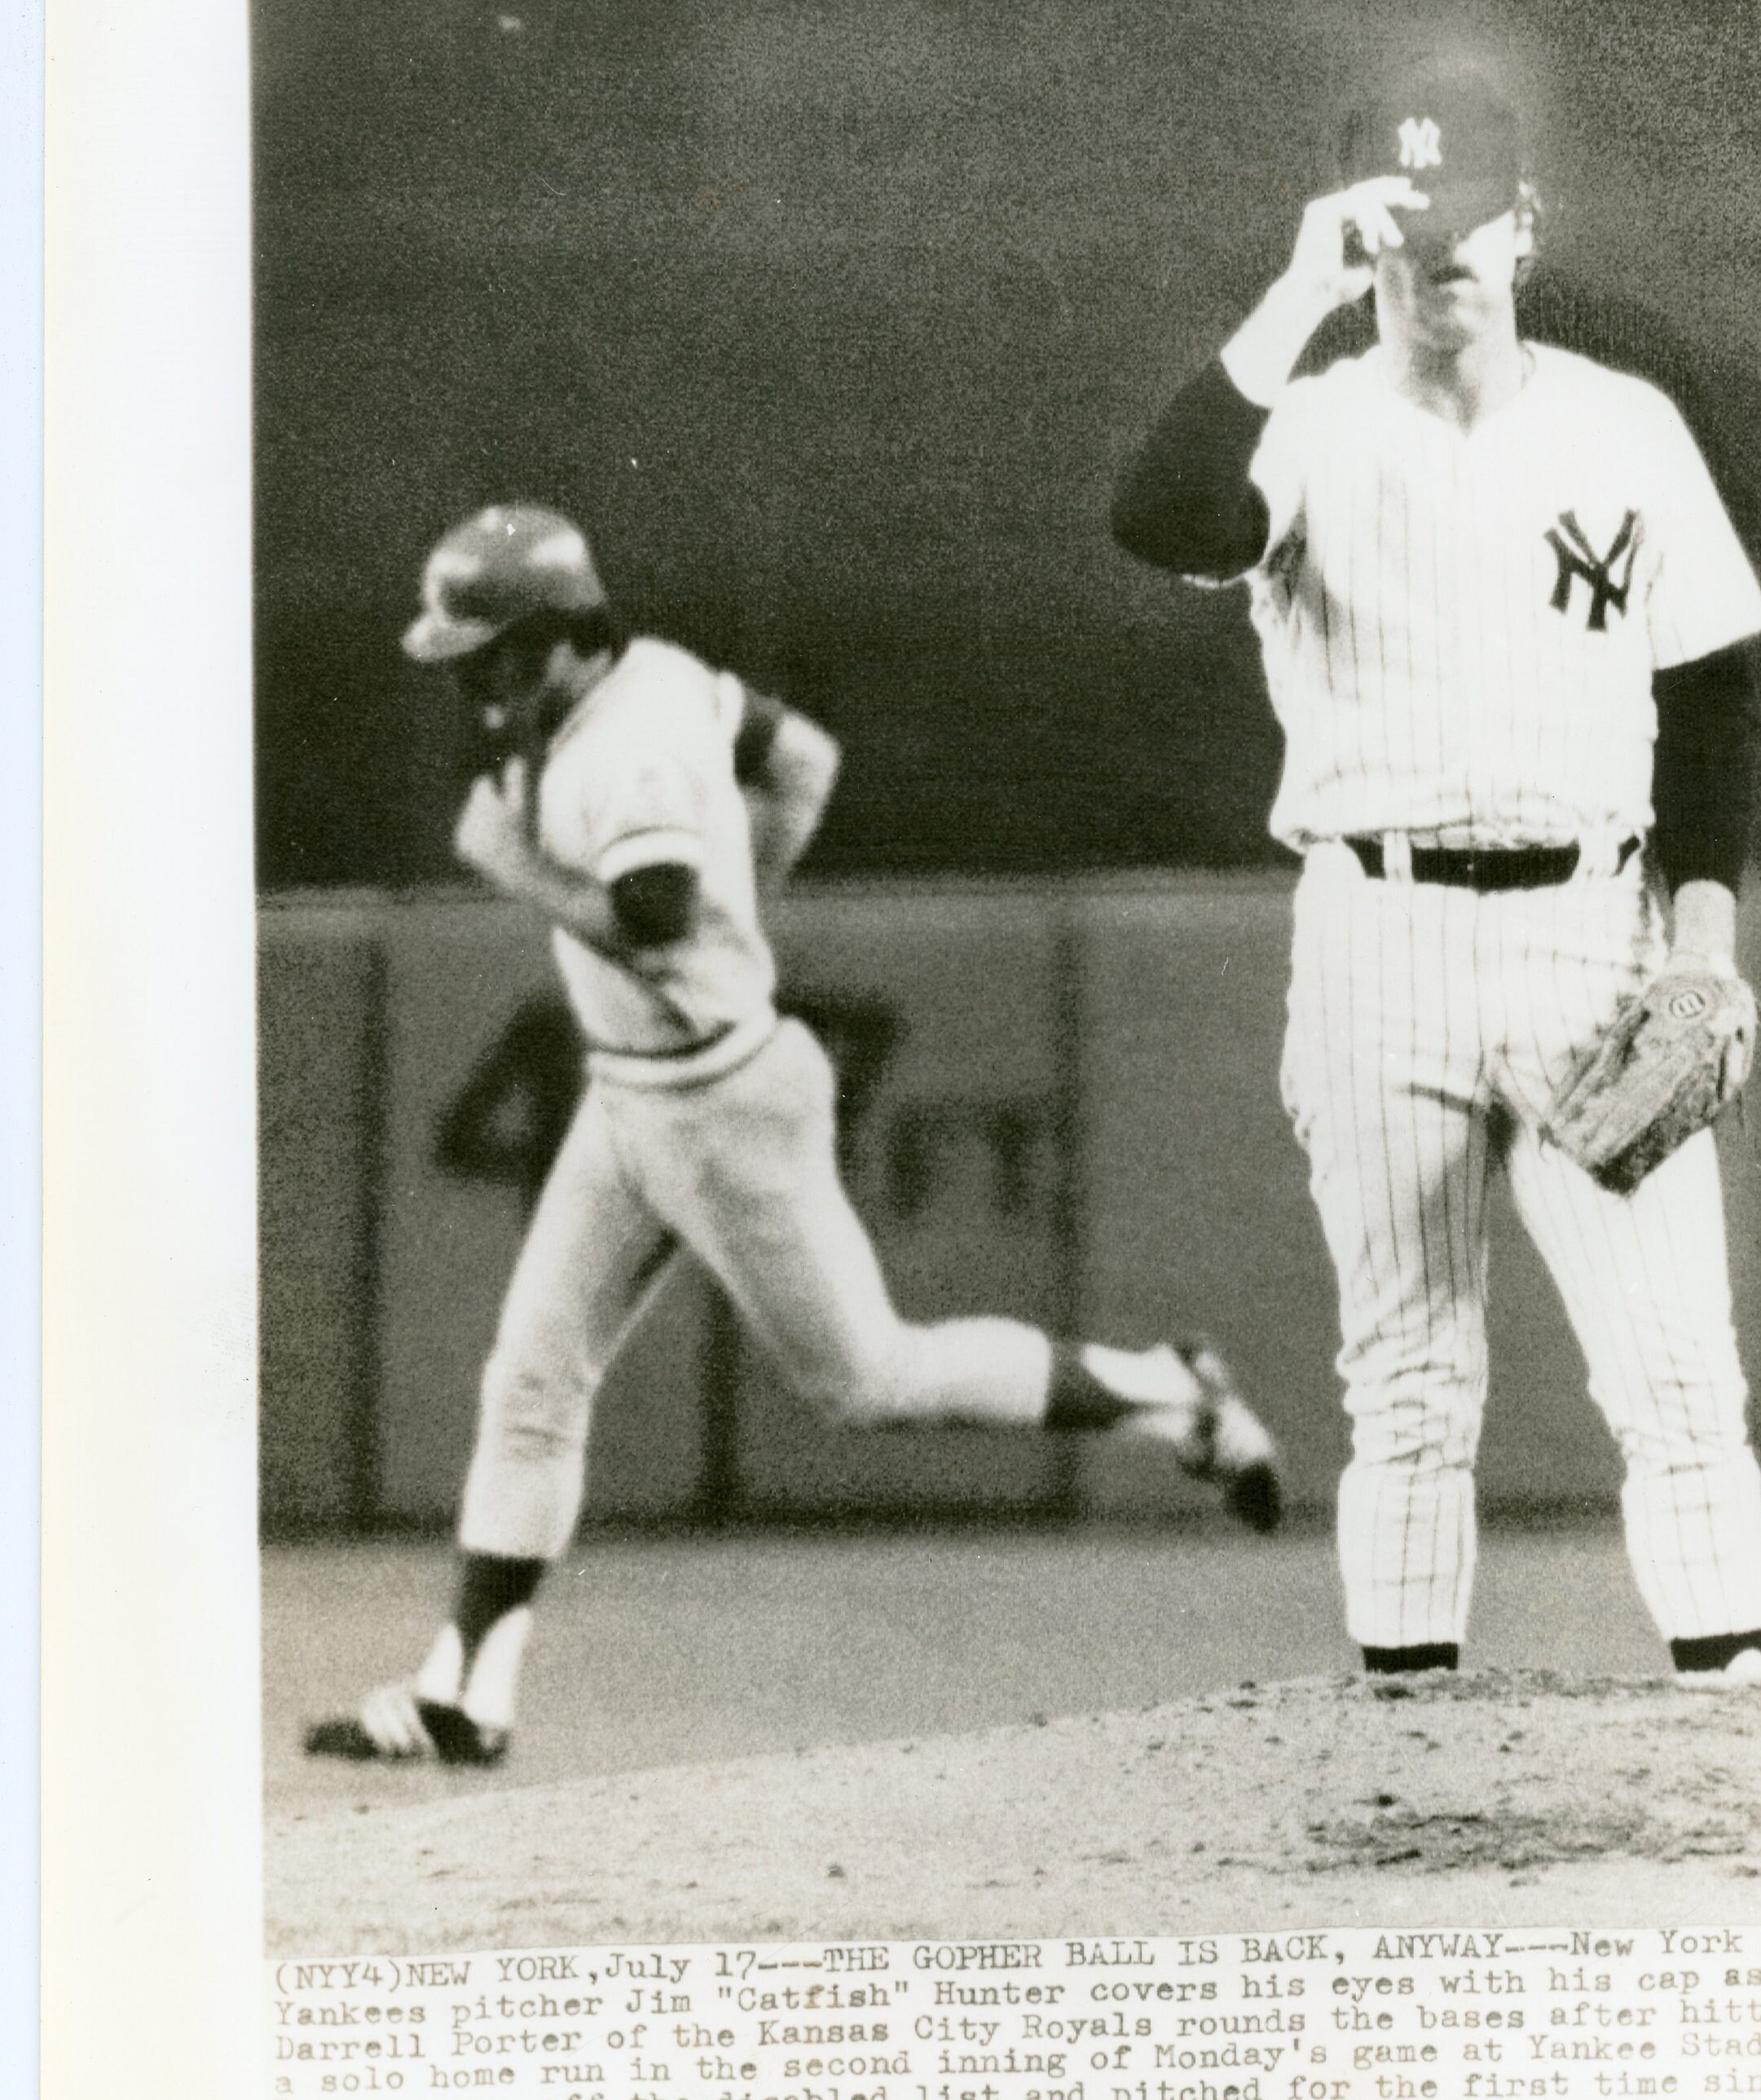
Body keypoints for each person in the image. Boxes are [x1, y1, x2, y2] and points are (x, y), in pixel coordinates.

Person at [306, 503, 1283, 1765]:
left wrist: (514, 865)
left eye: (488, 656)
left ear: (556, 637)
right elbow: (805, 761)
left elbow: (655, 920)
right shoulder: (656, 673)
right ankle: (463, 1694)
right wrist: (744, 912)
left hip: (718, 1103)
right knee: (532, 1378)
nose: (472, 685)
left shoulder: (629, 747)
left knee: (870, 1381)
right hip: (636, 1091)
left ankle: (1167, 1392)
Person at [1112, 59, 1761, 1680]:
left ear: (1524, 224)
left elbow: (1710, 691)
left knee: (1678, 1375)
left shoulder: (1622, 424)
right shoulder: (1307, 428)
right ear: (1361, 243)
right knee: (1408, 1385)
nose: (1440, 256)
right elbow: (1160, 517)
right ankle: (1407, 1756)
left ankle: (1737, 1720)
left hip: (1590, 933)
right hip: (1376, 933)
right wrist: (1292, 296)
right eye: (1402, 231)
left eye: (1468, 221)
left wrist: (1700, 942)